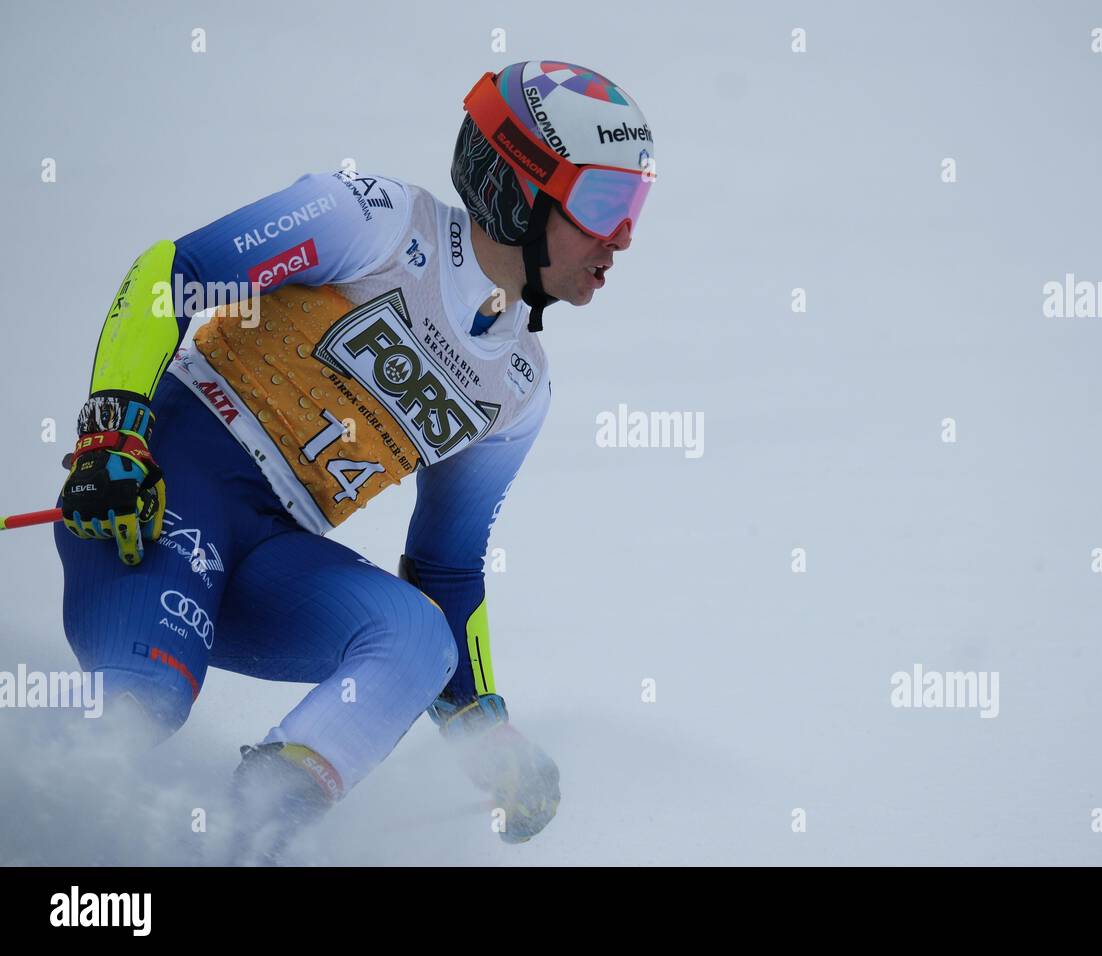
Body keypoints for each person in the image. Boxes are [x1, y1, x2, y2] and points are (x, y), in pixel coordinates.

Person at [53, 60, 655, 860]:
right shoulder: (373, 220)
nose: (620, 239)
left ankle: (244, 837)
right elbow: (172, 275)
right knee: (139, 714)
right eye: (603, 204)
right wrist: (110, 436)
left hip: (273, 552)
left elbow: (445, 572)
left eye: (635, 207)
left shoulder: (521, 387)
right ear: (519, 187)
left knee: (419, 638)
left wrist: (486, 734)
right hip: (158, 496)